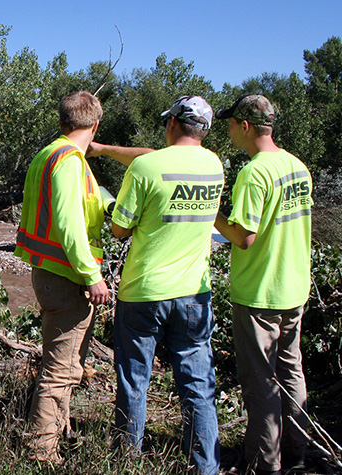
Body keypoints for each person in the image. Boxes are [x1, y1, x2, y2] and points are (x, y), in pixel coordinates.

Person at [89, 95, 223, 475]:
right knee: (198, 388)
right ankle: (205, 466)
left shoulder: (146, 168)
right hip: (195, 295)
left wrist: (110, 202)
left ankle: (126, 460)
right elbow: (164, 157)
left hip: (144, 293)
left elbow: (119, 228)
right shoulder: (214, 164)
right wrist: (107, 150)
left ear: (173, 124)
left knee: (134, 382)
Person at [213, 95, 312, 475]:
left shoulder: (254, 173)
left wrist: (215, 215)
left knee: (260, 382)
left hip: (260, 294)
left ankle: (264, 463)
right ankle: (298, 454)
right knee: (291, 372)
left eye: (231, 123)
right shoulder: (297, 167)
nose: (228, 129)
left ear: (246, 126)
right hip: (294, 287)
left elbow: (243, 237)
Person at [14, 90, 110, 464]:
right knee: (61, 370)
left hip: (48, 272)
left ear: (62, 122)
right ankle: (41, 452)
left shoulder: (48, 153)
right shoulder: (70, 161)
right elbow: (69, 225)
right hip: (66, 277)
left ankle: (59, 432)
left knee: (64, 364)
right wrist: (92, 276)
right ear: (95, 124)